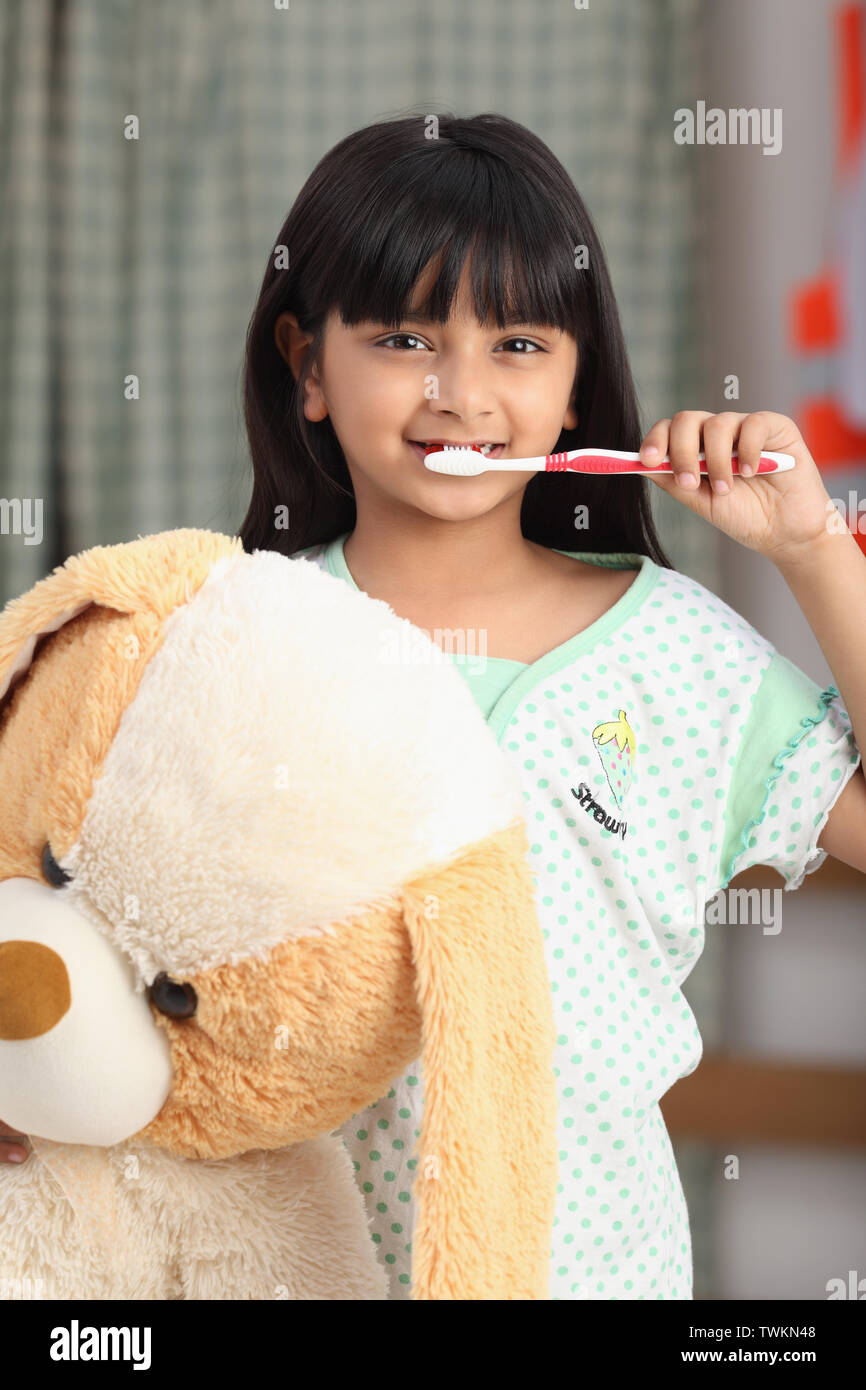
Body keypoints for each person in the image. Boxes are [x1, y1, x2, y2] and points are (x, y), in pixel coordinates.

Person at [6, 112, 865, 1302]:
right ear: (307, 365)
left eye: (517, 344)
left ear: (575, 383)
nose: (460, 392)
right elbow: (66, 907)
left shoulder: (680, 656)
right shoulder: (225, 638)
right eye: (405, 337)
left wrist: (813, 549)